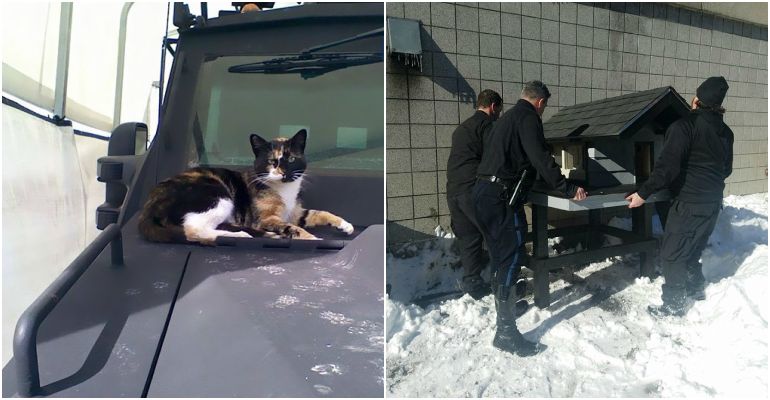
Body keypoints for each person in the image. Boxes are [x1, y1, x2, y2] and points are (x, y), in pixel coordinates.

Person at [473, 81, 587, 356]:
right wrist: (568, 187)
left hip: (483, 194)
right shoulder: (528, 118)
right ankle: (506, 333)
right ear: (541, 102)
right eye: (544, 107)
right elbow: (540, 157)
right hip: (501, 198)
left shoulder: (507, 119)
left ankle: (507, 311)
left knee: (501, 257)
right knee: (512, 257)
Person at [626, 76, 734, 317]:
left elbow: (666, 168)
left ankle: (674, 305)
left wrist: (643, 193)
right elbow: (726, 169)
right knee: (693, 248)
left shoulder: (684, 127)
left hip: (689, 203)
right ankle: (695, 288)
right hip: (713, 203)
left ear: (695, 100)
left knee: (672, 254)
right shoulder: (726, 132)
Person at [446, 89, 502, 300]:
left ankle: (473, 282)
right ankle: (502, 286)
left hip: (454, 191)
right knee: (496, 235)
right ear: (493, 107)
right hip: (472, 191)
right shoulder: (487, 126)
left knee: (469, 237)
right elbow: (494, 159)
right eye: (499, 110)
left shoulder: (461, 129)